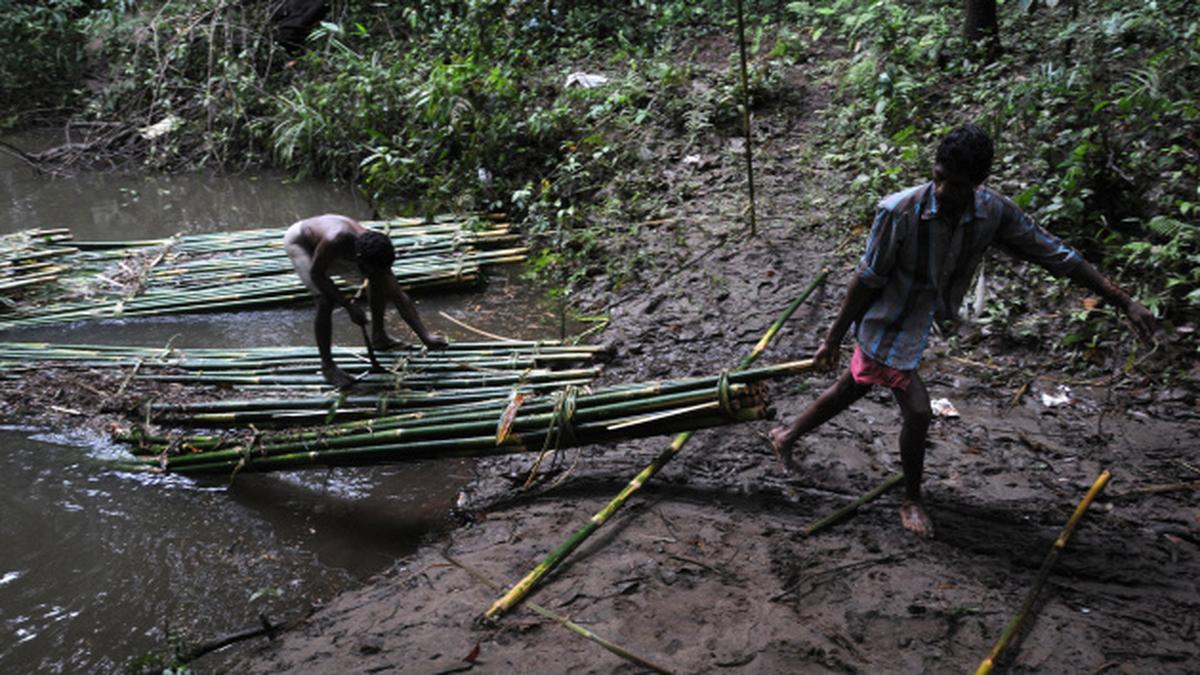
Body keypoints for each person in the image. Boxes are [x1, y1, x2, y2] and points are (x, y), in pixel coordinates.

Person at [769, 123, 1156, 538]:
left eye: (955, 185)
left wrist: (1121, 300)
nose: (942, 190)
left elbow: (1054, 254)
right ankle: (911, 498)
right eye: (938, 177)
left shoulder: (992, 212)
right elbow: (866, 279)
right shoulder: (899, 212)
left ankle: (787, 434)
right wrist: (832, 337)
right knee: (918, 411)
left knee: (854, 385)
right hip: (887, 321)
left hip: (924, 322)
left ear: (978, 182)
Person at [283, 214, 448, 387]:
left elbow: (398, 296)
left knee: (378, 278)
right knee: (325, 300)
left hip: (339, 249)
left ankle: (379, 337)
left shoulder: (376, 249)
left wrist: (425, 336)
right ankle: (328, 367)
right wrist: (348, 306)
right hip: (301, 242)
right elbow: (317, 275)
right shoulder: (335, 240)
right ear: (359, 258)